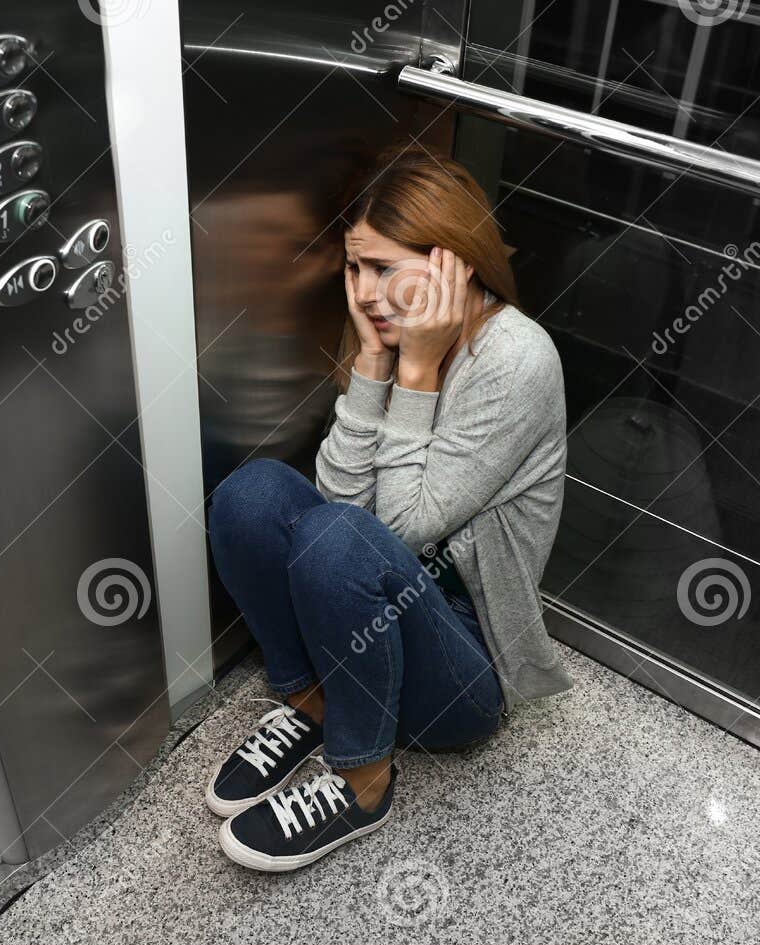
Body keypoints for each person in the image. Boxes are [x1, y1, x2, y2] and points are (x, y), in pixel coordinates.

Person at [204, 142, 571, 872]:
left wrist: (416, 372)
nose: (365, 292)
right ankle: (314, 703)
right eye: (354, 267)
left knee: (340, 539)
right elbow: (337, 505)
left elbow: (393, 527)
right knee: (249, 495)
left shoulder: (516, 359)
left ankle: (362, 775)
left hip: (466, 669)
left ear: (451, 263)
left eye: (384, 267)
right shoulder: (390, 336)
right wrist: (372, 367)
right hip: (372, 607)